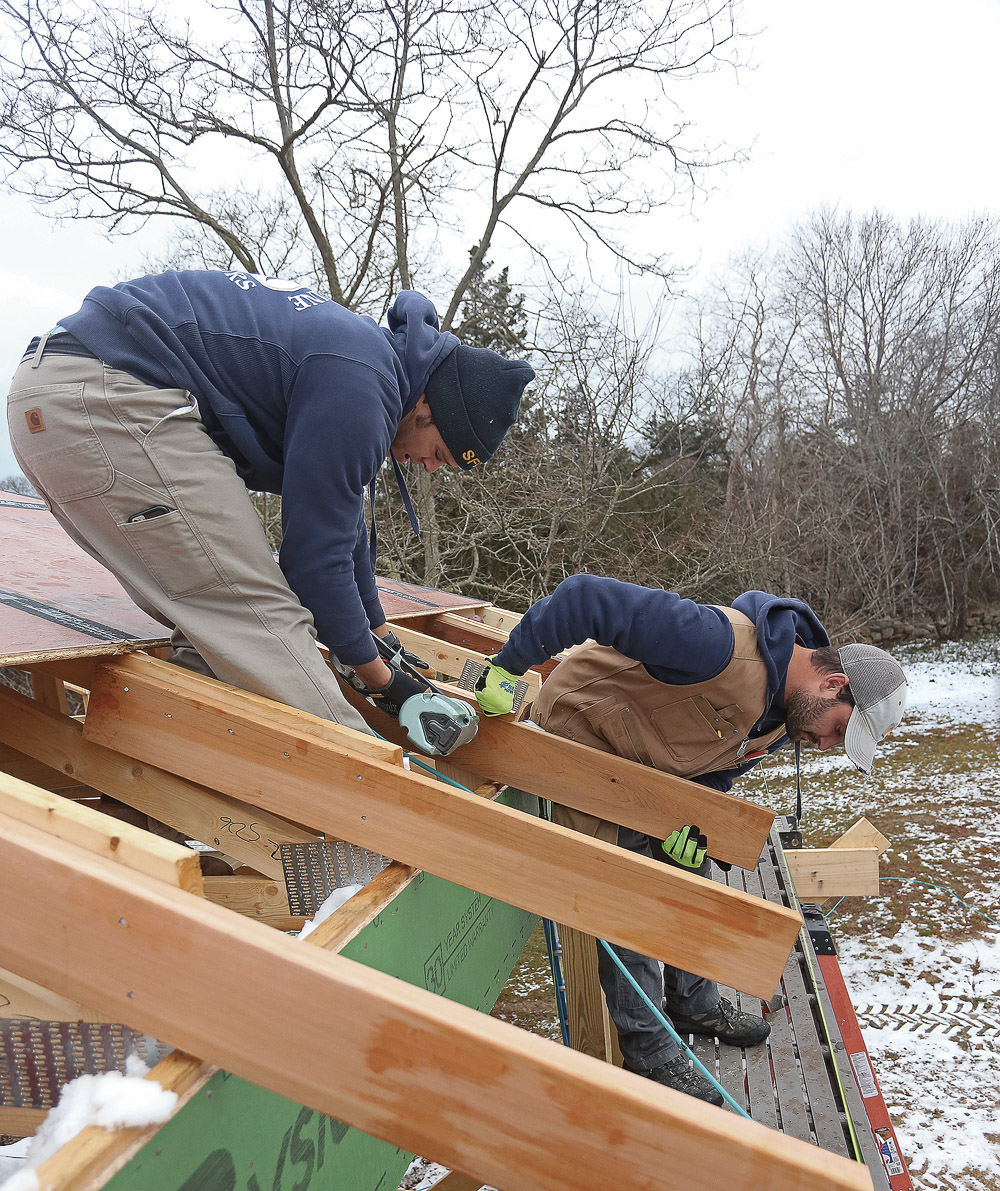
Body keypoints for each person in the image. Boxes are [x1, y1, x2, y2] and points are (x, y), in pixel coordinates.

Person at [7, 269, 533, 739]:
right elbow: (312, 566)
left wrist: (380, 640)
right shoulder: (361, 385)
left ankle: (193, 793)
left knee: (219, 632)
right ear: (427, 405)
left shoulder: (365, 364)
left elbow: (340, 532)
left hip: (60, 395)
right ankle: (365, 815)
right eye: (440, 452)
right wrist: (384, 684)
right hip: (103, 399)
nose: (431, 467)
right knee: (259, 614)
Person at [475, 574, 908, 1105]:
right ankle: (651, 1053)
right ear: (833, 685)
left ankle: (692, 1002)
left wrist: (695, 828)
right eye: (839, 731)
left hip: (645, 771)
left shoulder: (784, 717)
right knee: (628, 889)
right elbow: (584, 598)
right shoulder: (718, 646)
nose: (826, 745)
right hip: (578, 739)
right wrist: (507, 666)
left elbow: (714, 773)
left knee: (688, 873)